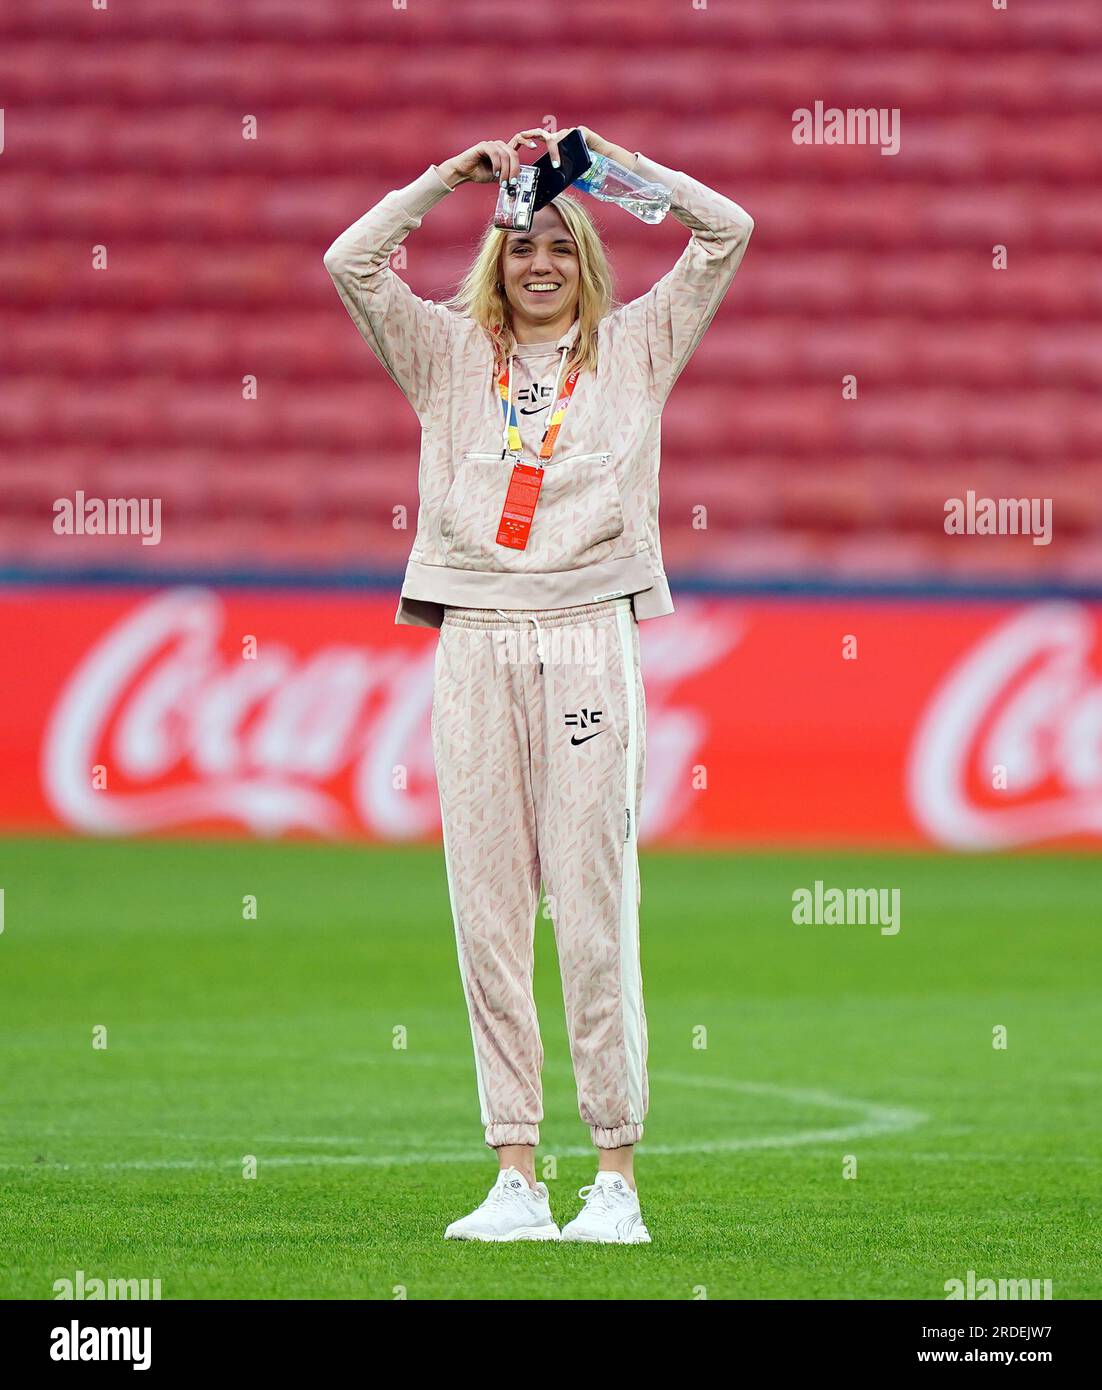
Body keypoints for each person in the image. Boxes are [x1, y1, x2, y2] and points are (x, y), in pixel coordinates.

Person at [324, 125, 753, 1243]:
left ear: (587, 258)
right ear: (497, 261)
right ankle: (515, 1174)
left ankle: (614, 1180)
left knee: (593, 909)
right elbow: (350, 263)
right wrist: (447, 179)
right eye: (522, 246)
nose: (542, 263)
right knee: (489, 913)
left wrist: (603, 166)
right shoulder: (445, 352)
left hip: (585, 635)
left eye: (561, 244)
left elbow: (726, 231)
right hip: (474, 635)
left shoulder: (637, 344)